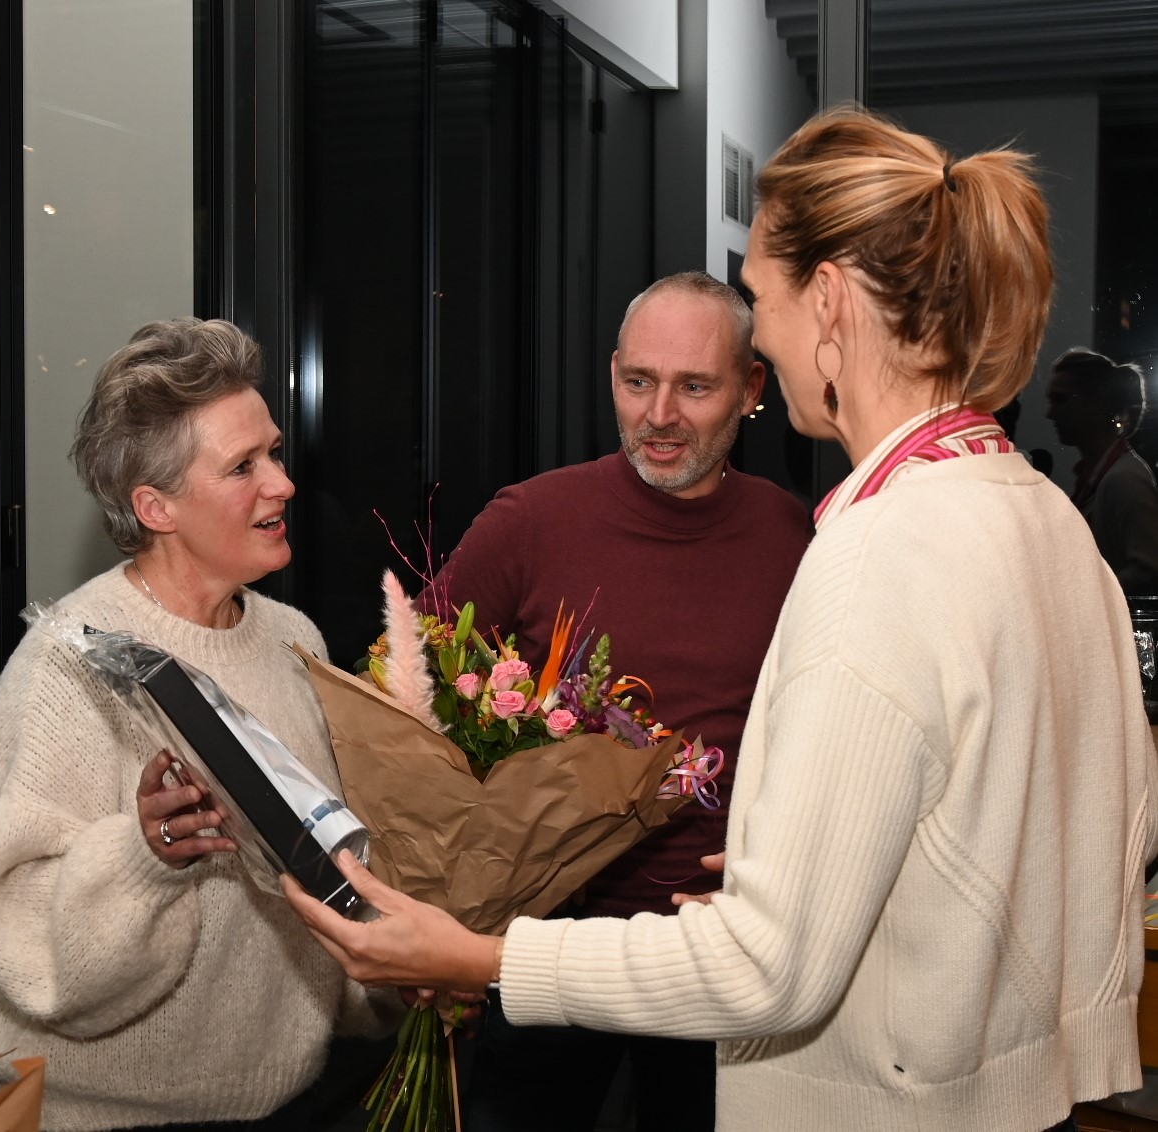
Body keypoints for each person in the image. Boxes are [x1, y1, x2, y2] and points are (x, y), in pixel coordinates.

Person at [284, 108, 1158, 1132]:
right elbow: (1115, 819)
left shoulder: (875, 552)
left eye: (760, 298)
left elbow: (767, 969)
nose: (765, 333)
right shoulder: (1037, 512)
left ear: (824, 302)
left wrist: (483, 957)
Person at [0, 318, 396, 1131]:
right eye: (242, 466)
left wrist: (405, 978)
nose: (283, 483)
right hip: (112, 1119)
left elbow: (321, 866)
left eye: (274, 452)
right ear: (156, 506)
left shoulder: (294, 640)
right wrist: (143, 853)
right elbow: (12, 933)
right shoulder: (70, 664)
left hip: (298, 1099)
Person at [410, 270, 811, 1130]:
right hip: (546, 942)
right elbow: (403, 694)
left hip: (718, 955)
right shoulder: (531, 519)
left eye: (694, 387)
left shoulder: (796, 537)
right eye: (638, 382)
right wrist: (444, 890)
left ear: (750, 391)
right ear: (612, 376)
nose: (659, 416)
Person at [1046, 346, 1158, 596]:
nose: (1050, 413)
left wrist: (1083, 598)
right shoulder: (1110, 475)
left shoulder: (1123, 479)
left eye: (1061, 399)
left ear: (1095, 403)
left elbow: (1148, 571)